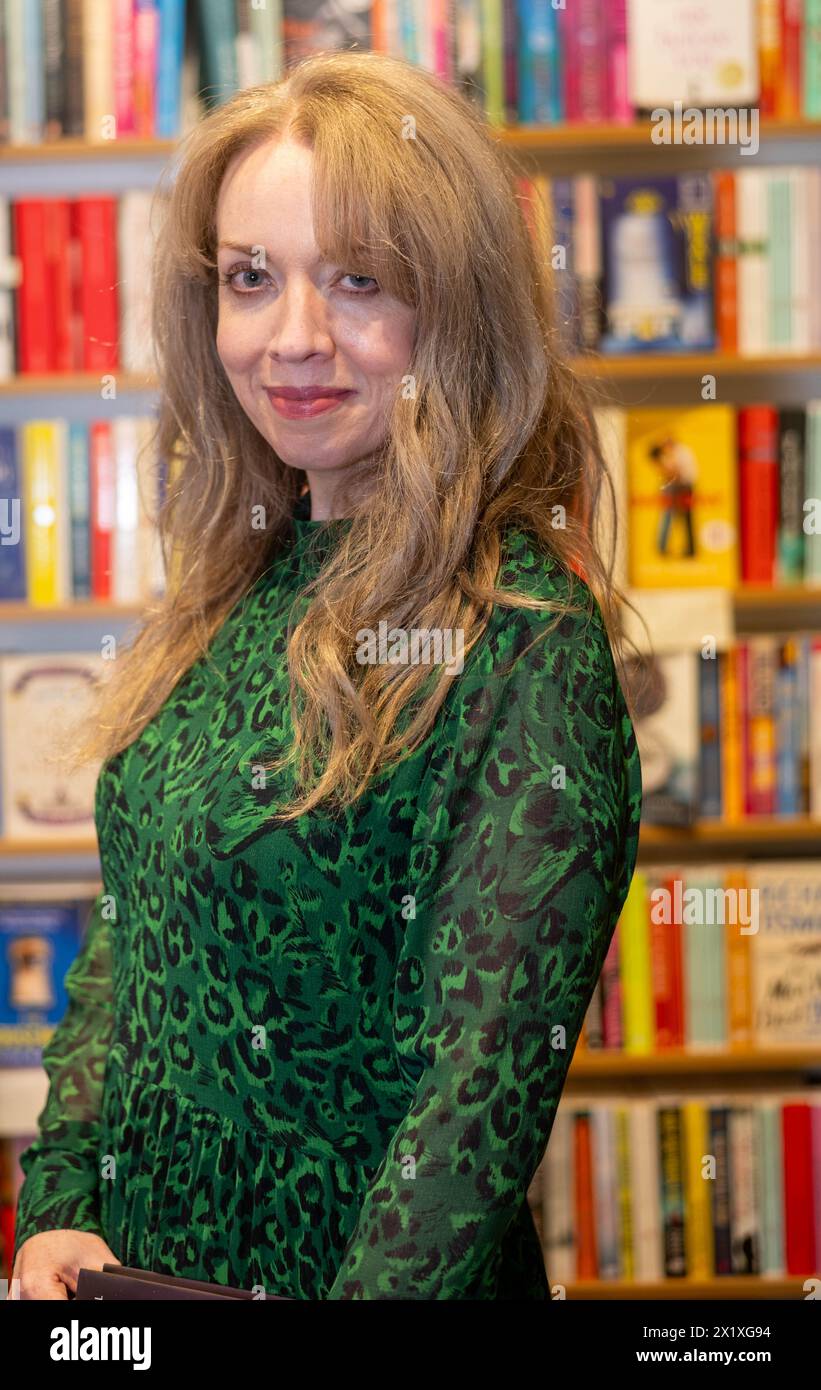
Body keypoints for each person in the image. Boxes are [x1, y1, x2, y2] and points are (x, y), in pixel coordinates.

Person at [11, 49, 642, 1301]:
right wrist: (60, 1204)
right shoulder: (235, 577)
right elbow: (137, 939)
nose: (292, 338)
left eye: (358, 281)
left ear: (454, 307)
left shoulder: (524, 646)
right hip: (130, 1289)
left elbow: (468, 1118)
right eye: (251, 279)